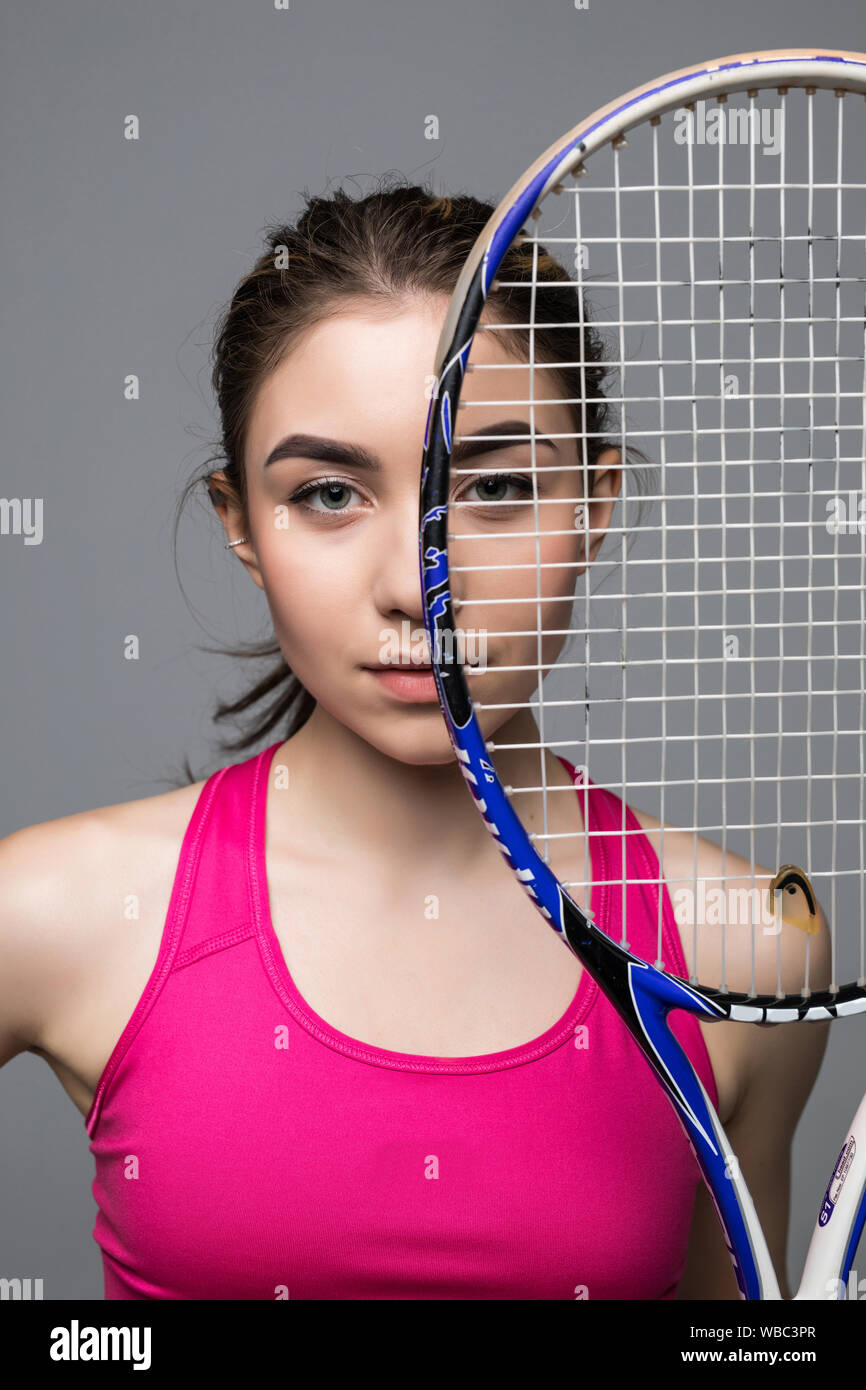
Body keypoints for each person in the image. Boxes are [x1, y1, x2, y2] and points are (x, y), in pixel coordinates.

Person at [0, 178, 829, 1300]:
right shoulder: (49, 914)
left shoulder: (743, 952)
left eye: (493, 487)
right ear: (240, 521)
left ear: (595, 503)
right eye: (330, 493)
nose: (415, 584)